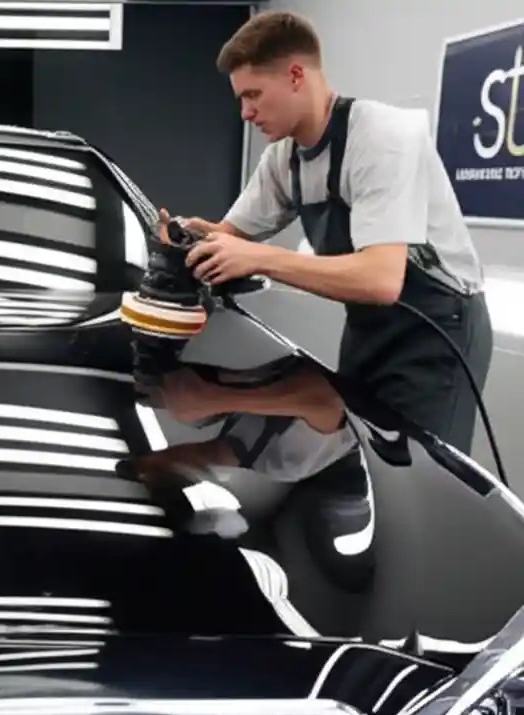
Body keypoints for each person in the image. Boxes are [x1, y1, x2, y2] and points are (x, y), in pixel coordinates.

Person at [160, 10, 493, 455]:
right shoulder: (283, 159)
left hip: (437, 331)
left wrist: (262, 259)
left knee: (420, 477)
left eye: (254, 95)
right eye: (241, 99)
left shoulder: (381, 137)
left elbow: (381, 280)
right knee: (363, 458)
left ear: (296, 75)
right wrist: (193, 239)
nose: (246, 113)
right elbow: (230, 235)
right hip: (368, 326)